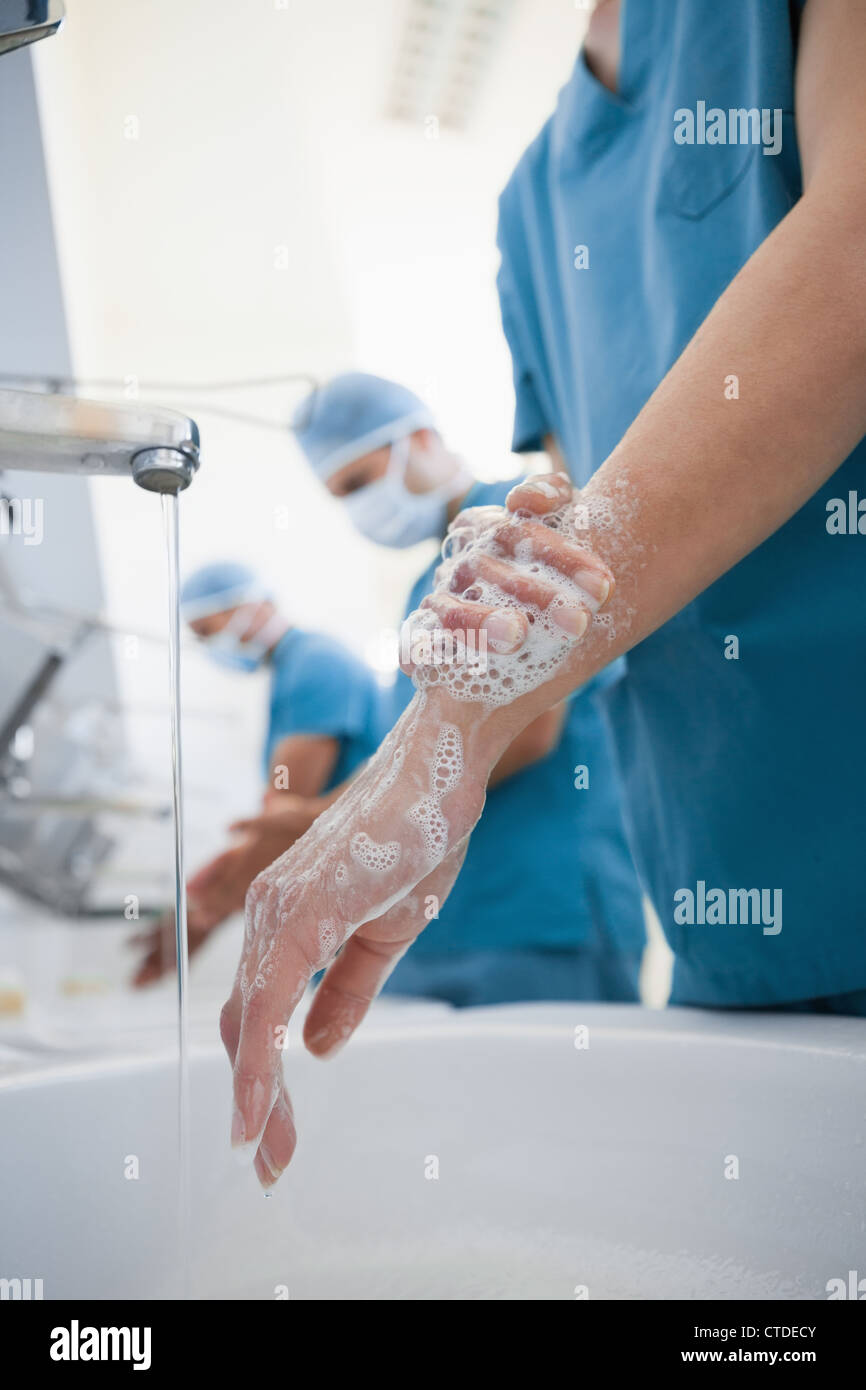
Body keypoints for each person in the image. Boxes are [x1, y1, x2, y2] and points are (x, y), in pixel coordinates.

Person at [222, 0, 866, 1189]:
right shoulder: (532, 205)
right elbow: (585, 522)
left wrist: (440, 737)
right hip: (719, 873)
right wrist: (494, 613)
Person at [289, 370, 646, 1007]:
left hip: (538, 915)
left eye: (360, 480)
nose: (357, 506)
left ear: (420, 439)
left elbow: (517, 728)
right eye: (339, 495)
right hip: (443, 929)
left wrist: (329, 822)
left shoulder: (521, 516)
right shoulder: (423, 587)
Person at [131, 561, 381, 985]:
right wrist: (206, 893)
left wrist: (204, 915)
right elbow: (276, 816)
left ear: (252, 604)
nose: (211, 645)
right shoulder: (292, 670)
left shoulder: (317, 666)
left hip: (363, 894)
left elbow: (286, 824)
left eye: (209, 630)